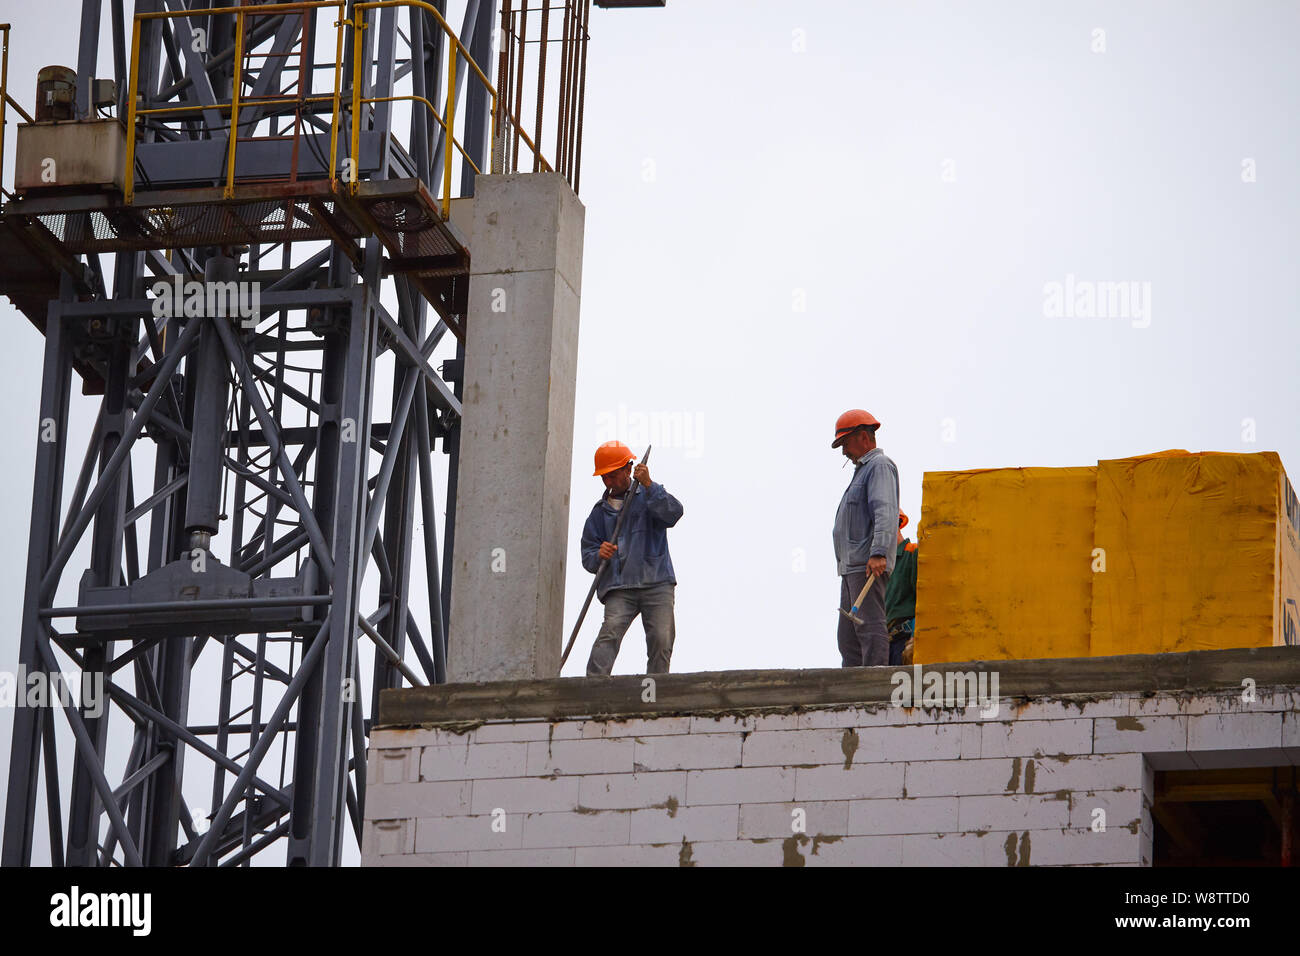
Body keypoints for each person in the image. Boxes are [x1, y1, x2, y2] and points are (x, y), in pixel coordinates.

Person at [582, 441, 685, 676]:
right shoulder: (598, 514)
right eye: (604, 477)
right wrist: (599, 554)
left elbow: (673, 513)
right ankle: (593, 690)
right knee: (609, 634)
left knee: (661, 638)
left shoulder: (649, 496)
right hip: (619, 587)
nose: (609, 481)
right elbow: (588, 556)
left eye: (613, 475)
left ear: (627, 469)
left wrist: (650, 485)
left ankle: (656, 691)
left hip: (656, 582)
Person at [831, 409, 900, 667]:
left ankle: (874, 685)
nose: (843, 452)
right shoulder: (862, 471)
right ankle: (851, 691)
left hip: (867, 564)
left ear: (863, 437)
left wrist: (879, 552)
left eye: (845, 443)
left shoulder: (879, 466)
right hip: (852, 568)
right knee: (848, 638)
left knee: (869, 628)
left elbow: (885, 510)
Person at [886, 511, 918, 666]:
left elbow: (925, 602)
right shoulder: (880, 569)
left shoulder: (912, 553)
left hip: (904, 642)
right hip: (885, 647)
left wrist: (915, 639)